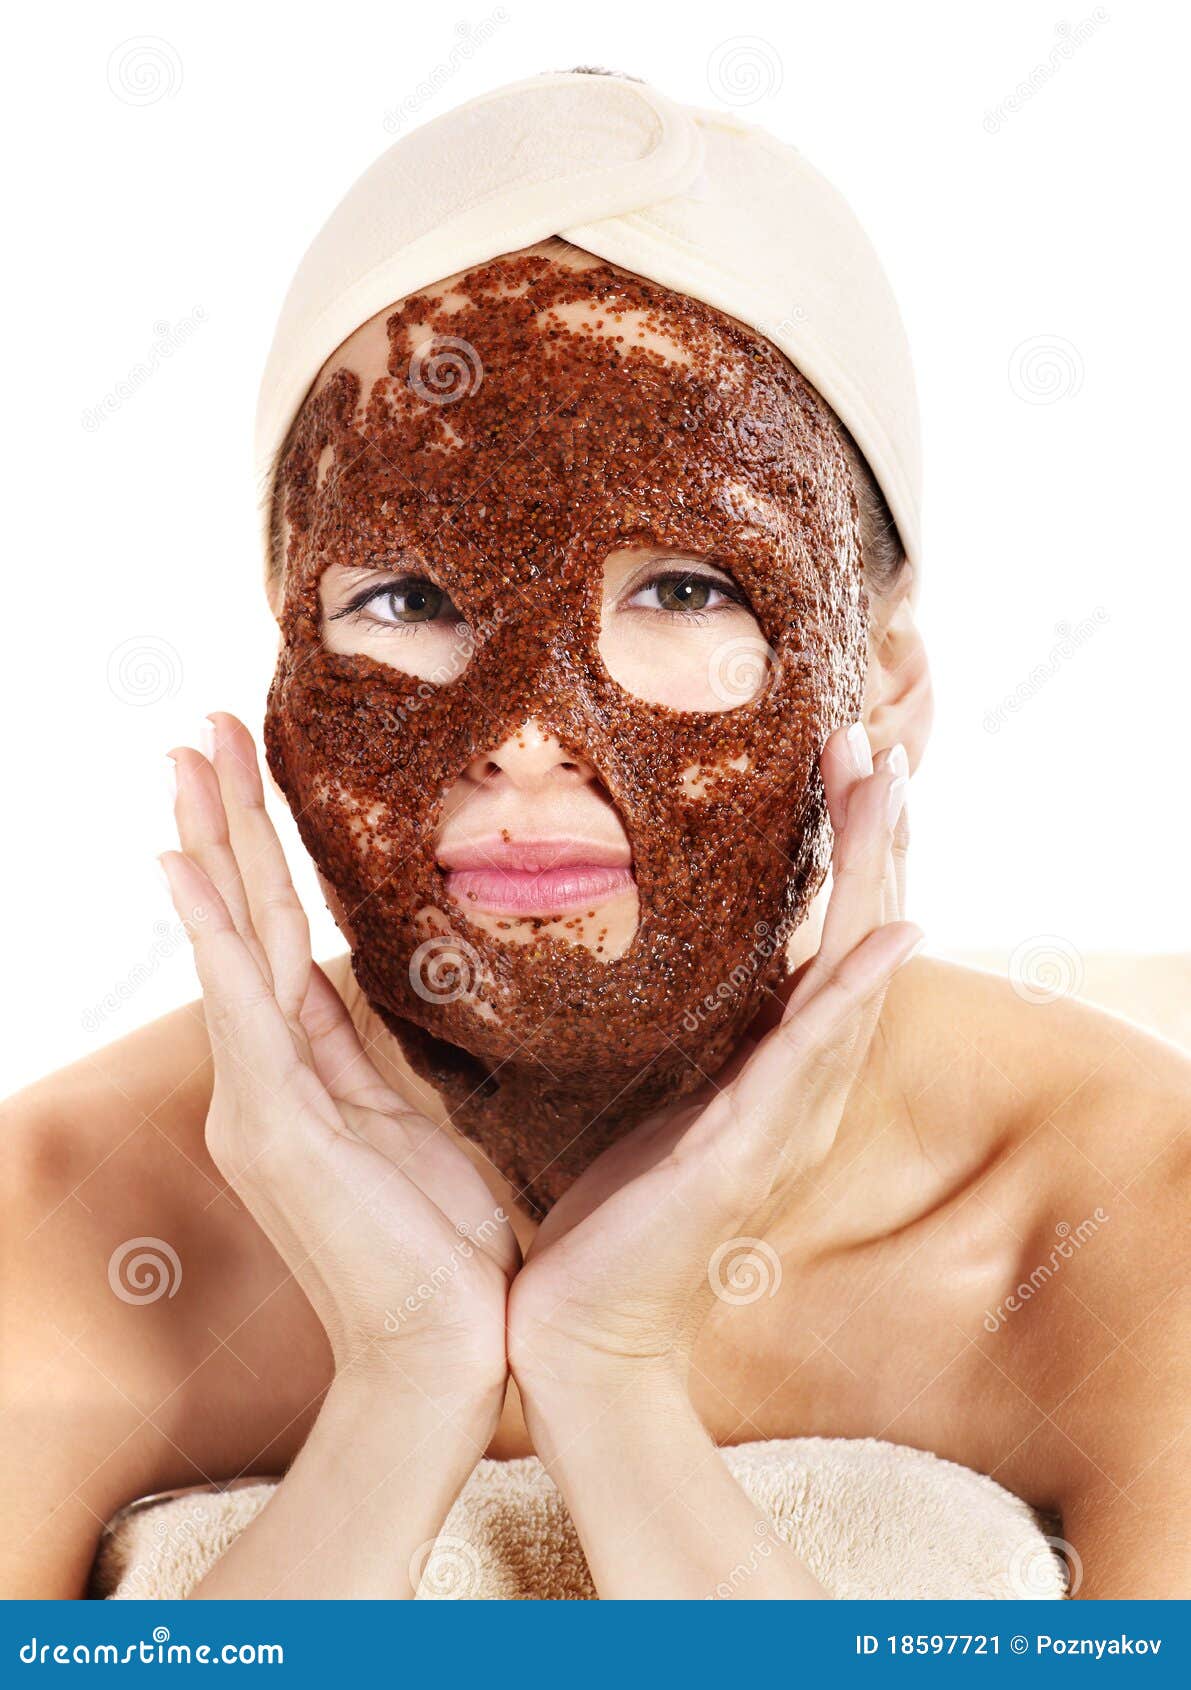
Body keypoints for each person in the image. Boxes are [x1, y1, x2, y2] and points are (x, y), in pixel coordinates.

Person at [2, 72, 1186, 1602]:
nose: (530, 729)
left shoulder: (1124, 1219)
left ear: (883, 681)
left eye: (686, 587)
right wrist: (406, 1380)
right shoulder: (60, 1221)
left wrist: (609, 1376)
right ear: (284, 670)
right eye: (408, 599)